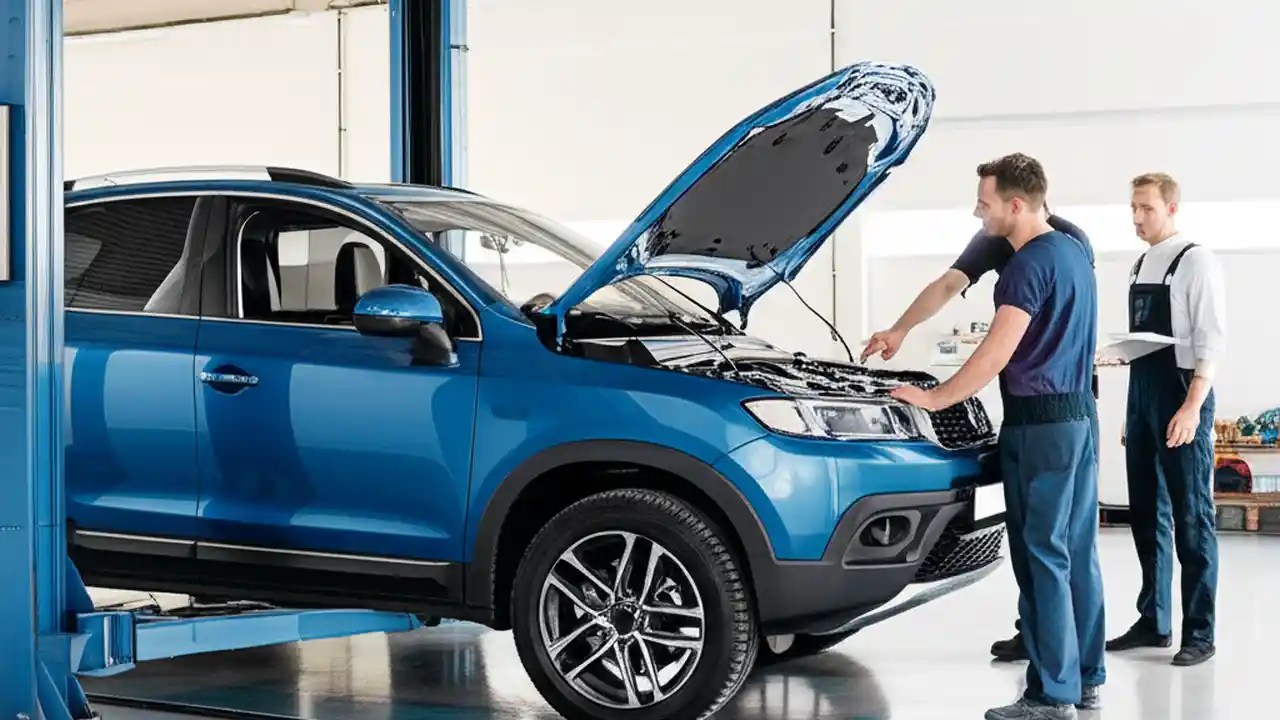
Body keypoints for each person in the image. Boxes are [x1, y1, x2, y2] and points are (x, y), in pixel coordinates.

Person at [892, 153, 1105, 719]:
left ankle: (1050, 695)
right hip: (1080, 416)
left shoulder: (1026, 267)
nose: (976, 212)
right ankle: (1084, 676)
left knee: (1041, 558)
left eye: (983, 203)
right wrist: (900, 329)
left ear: (1015, 205)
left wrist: (937, 398)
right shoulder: (1072, 250)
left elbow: (996, 351)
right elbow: (951, 285)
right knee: (1075, 551)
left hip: (1040, 424)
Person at [1105, 172, 1225, 667]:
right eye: (1132, 207)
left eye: (1146, 208)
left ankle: (1200, 632)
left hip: (1181, 394)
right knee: (1146, 513)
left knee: (1192, 517)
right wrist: (1132, 408)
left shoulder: (1196, 259)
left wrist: (1192, 408)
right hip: (1143, 393)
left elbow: (1211, 340)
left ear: (1171, 208)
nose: (1137, 217)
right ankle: (1153, 620)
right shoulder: (1138, 263)